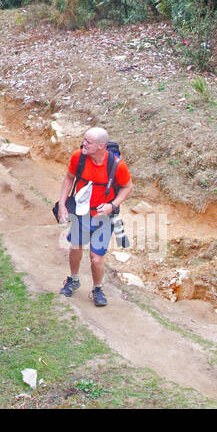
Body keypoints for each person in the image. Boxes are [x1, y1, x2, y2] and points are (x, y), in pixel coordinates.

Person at [53, 127, 132, 307]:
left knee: (96, 258)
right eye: (84, 140)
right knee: (75, 247)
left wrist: (113, 205)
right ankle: (73, 280)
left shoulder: (117, 165)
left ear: (101, 146)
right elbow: (69, 178)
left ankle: (97, 289)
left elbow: (128, 187)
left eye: (88, 142)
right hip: (81, 213)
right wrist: (62, 205)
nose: (84, 144)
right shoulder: (78, 157)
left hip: (103, 217)